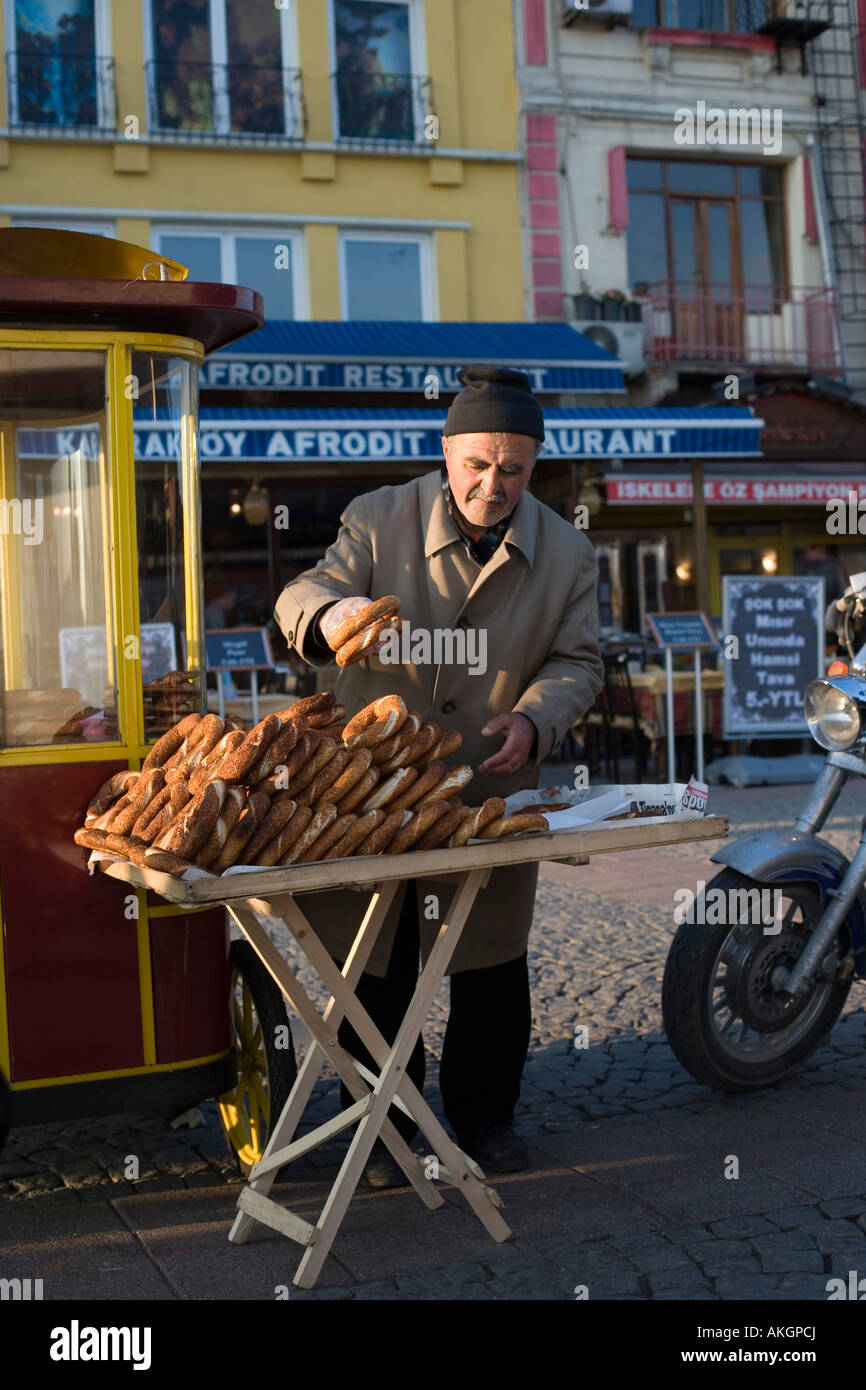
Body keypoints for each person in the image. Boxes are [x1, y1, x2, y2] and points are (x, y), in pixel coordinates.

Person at [274, 365, 604, 1186]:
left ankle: (487, 1122)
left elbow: (578, 662)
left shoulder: (568, 551)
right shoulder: (377, 516)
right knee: (375, 964)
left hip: (486, 792)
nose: (494, 486)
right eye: (478, 465)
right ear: (447, 451)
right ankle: (381, 1127)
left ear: (536, 467)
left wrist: (534, 719)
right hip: (371, 791)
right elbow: (305, 592)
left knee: (491, 968)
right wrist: (333, 614)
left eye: (515, 469)